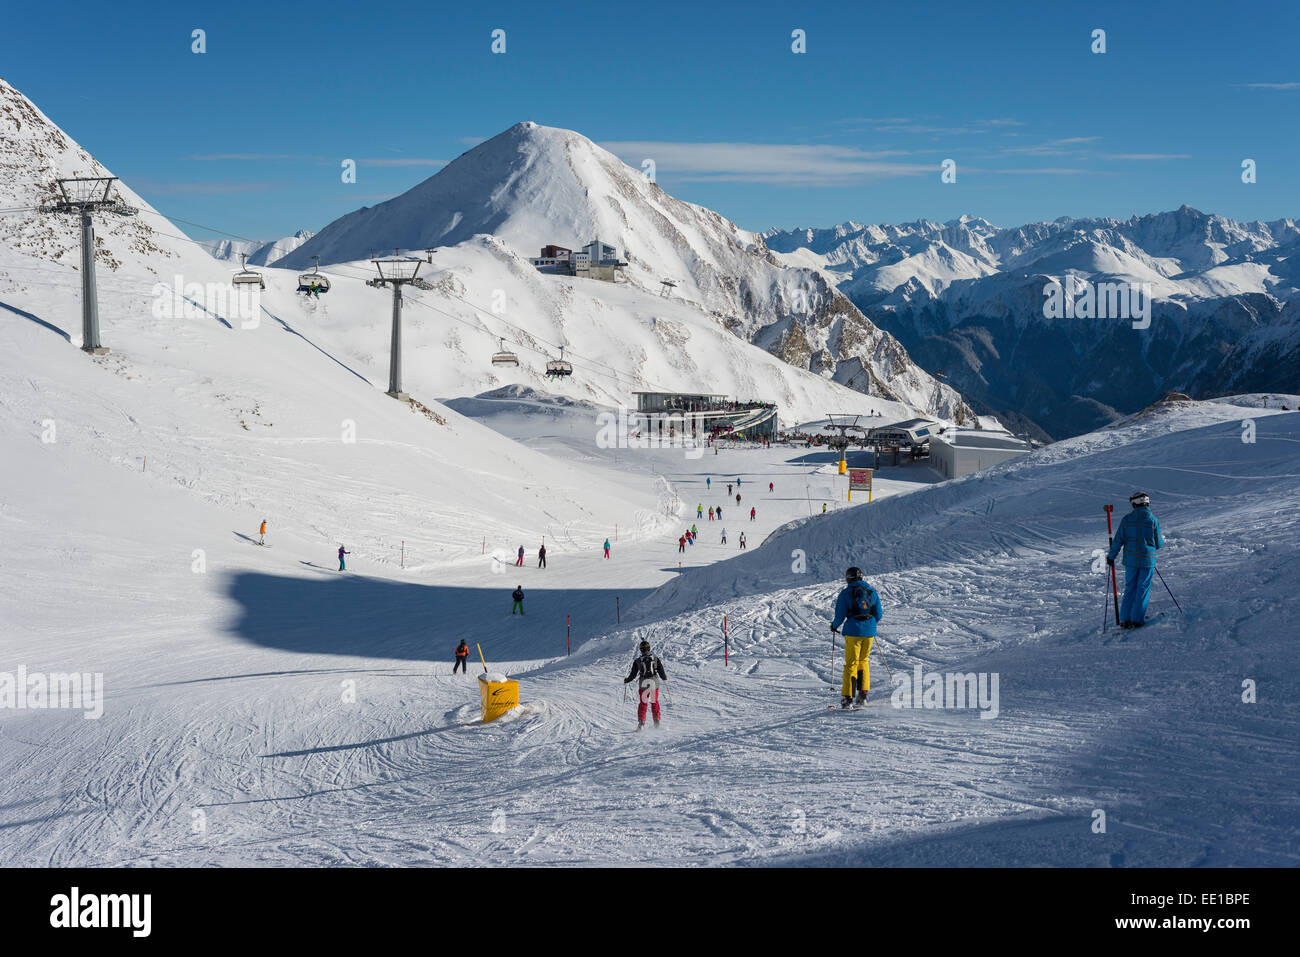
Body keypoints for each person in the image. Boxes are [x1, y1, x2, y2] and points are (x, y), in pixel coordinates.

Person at [1107, 491, 1164, 628]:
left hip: (1131, 562)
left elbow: (1118, 540)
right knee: (1142, 589)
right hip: (1147, 561)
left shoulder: (1127, 519)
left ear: (1135, 504)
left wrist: (1111, 556)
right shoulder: (1153, 520)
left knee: (1130, 588)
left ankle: (1125, 619)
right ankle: (1137, 619)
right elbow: (1159, 544)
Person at [830, 566, 883, 708]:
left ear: (848, 578)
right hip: (869, 632)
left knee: (851, 664)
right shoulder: (872, 592)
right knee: (863, 661)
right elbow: (878, 614)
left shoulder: (846, 593)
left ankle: (848, 698)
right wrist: (869, 625)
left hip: (853, 632)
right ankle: (863, 695)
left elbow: (840, 616)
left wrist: (834, 626)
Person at [623, 640, 668, 729]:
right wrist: (664, 678)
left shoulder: (638, 661)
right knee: (654, 702)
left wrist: (627, 680)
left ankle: (641, 723)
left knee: (643, 703)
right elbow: (661, 671)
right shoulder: (655, 659)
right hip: (654, 684)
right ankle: (656, 722)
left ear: (641, 650)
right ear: (649, 648)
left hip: (643, 684)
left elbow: (633, 674)